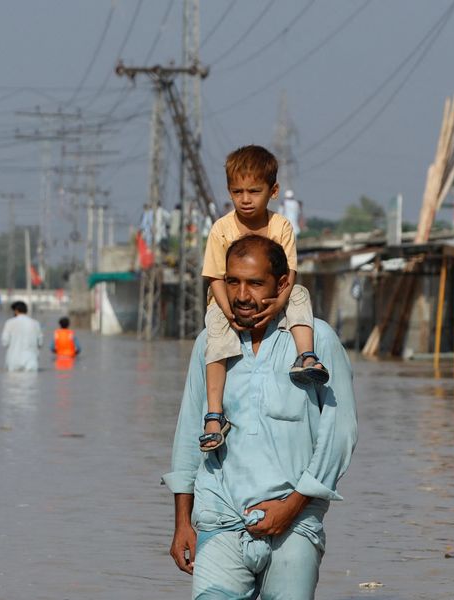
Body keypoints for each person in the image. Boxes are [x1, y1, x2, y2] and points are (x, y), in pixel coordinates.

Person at [165, 234, 357, 599]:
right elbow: (189, 430)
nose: (241, 295)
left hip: (295, 526)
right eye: (233, 281)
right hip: (220, 519)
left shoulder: (317, 342)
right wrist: (181, 523)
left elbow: (339, 435)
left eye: (255, 283)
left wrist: (292, 507)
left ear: (282, 284)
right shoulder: (211, 344)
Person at [199, 145, 327, 453]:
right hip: (225, 302)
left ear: (273, 191)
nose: (245, 199)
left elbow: (290, 272)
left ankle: (306, 356)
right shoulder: (222, 229)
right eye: (237, 191)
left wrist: (279, 303)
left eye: (253, 191)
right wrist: (229, 311)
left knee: (300, 294)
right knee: (215, 335)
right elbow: (215, 276)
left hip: (274, 298)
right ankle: (214, 416)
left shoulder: (280, 226)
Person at [1, 300, 43, 372]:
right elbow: (40, 343)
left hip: (13, 362)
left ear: (16, 311)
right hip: (31, 362)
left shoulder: (9, 323)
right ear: (26, 310)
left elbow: (5, 342)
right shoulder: (35, 323)